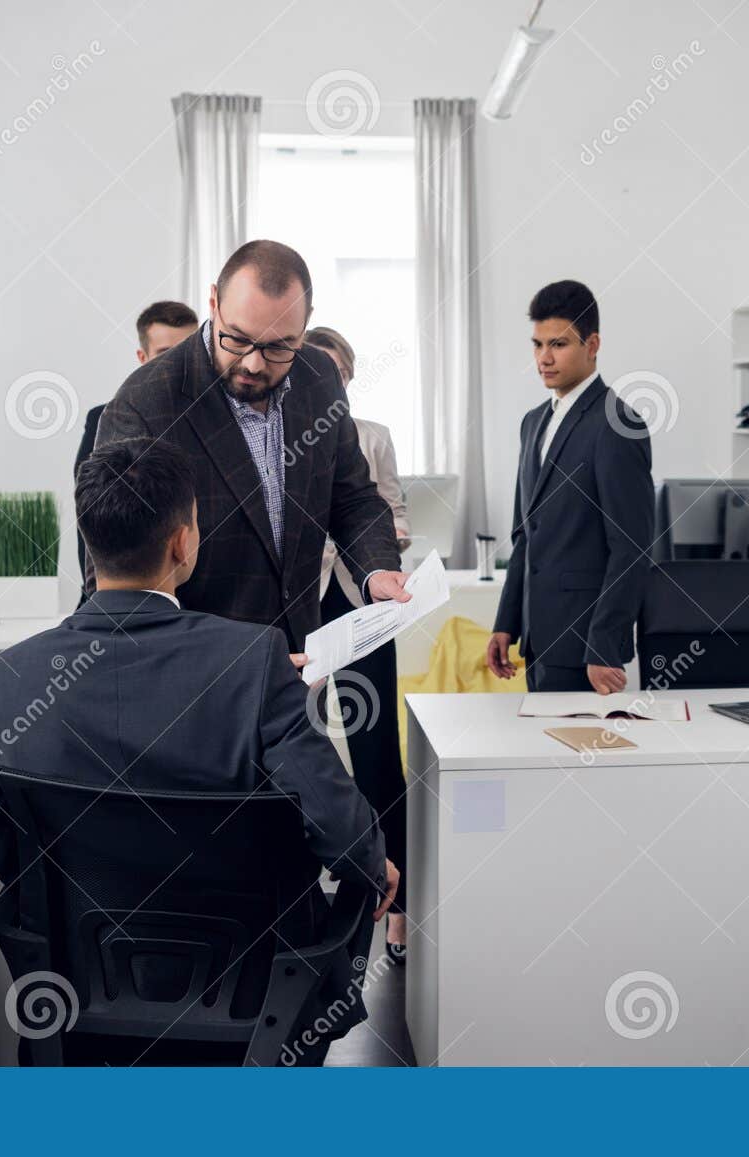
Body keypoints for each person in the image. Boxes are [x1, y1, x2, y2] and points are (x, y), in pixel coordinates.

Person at [0, 436, 399, 1064]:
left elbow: (7, 849)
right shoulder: (254, 659)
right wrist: (376, 865)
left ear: (89, 545)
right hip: (253, 1002)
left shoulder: (17, 671)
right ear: (183, 542)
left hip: (82, 999)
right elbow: (341, 832)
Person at [90, 241, 410, 651]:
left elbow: (353, 497)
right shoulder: (145, 404)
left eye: (279, 346)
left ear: (306, 322)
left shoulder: (320, 378)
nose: (254, 365)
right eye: (237, 340)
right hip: (201, 683)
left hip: (302, 668)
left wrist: (376, 569)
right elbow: (118, 583)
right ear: (213, 303)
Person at [487, 280, 654, 693]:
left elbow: (632, 548)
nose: (544, 358)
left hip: (585, 646)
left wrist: (603, 646)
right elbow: (525, 534)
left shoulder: (618, 423)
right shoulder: (532, 423)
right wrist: (505, 623)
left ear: (592, 344)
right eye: (537, 344)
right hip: (537, 638)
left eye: (558, 344)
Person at [304, 325, 412, 965]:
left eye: (336, 372)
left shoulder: (372, 437)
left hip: (364, 600)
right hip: (303, 603)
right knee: (303, 747)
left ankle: (397, 909)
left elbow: (393, 512)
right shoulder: (281, 437)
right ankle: (318, 894)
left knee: (376, 753)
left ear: (347, 377)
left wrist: (380, 543)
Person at [74, 301, 199, 588]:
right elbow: (95, 514)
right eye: (167, 355)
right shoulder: (108, 419)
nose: (179, 366)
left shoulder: (218, 419)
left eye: (188, 353)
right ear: (143, 357)